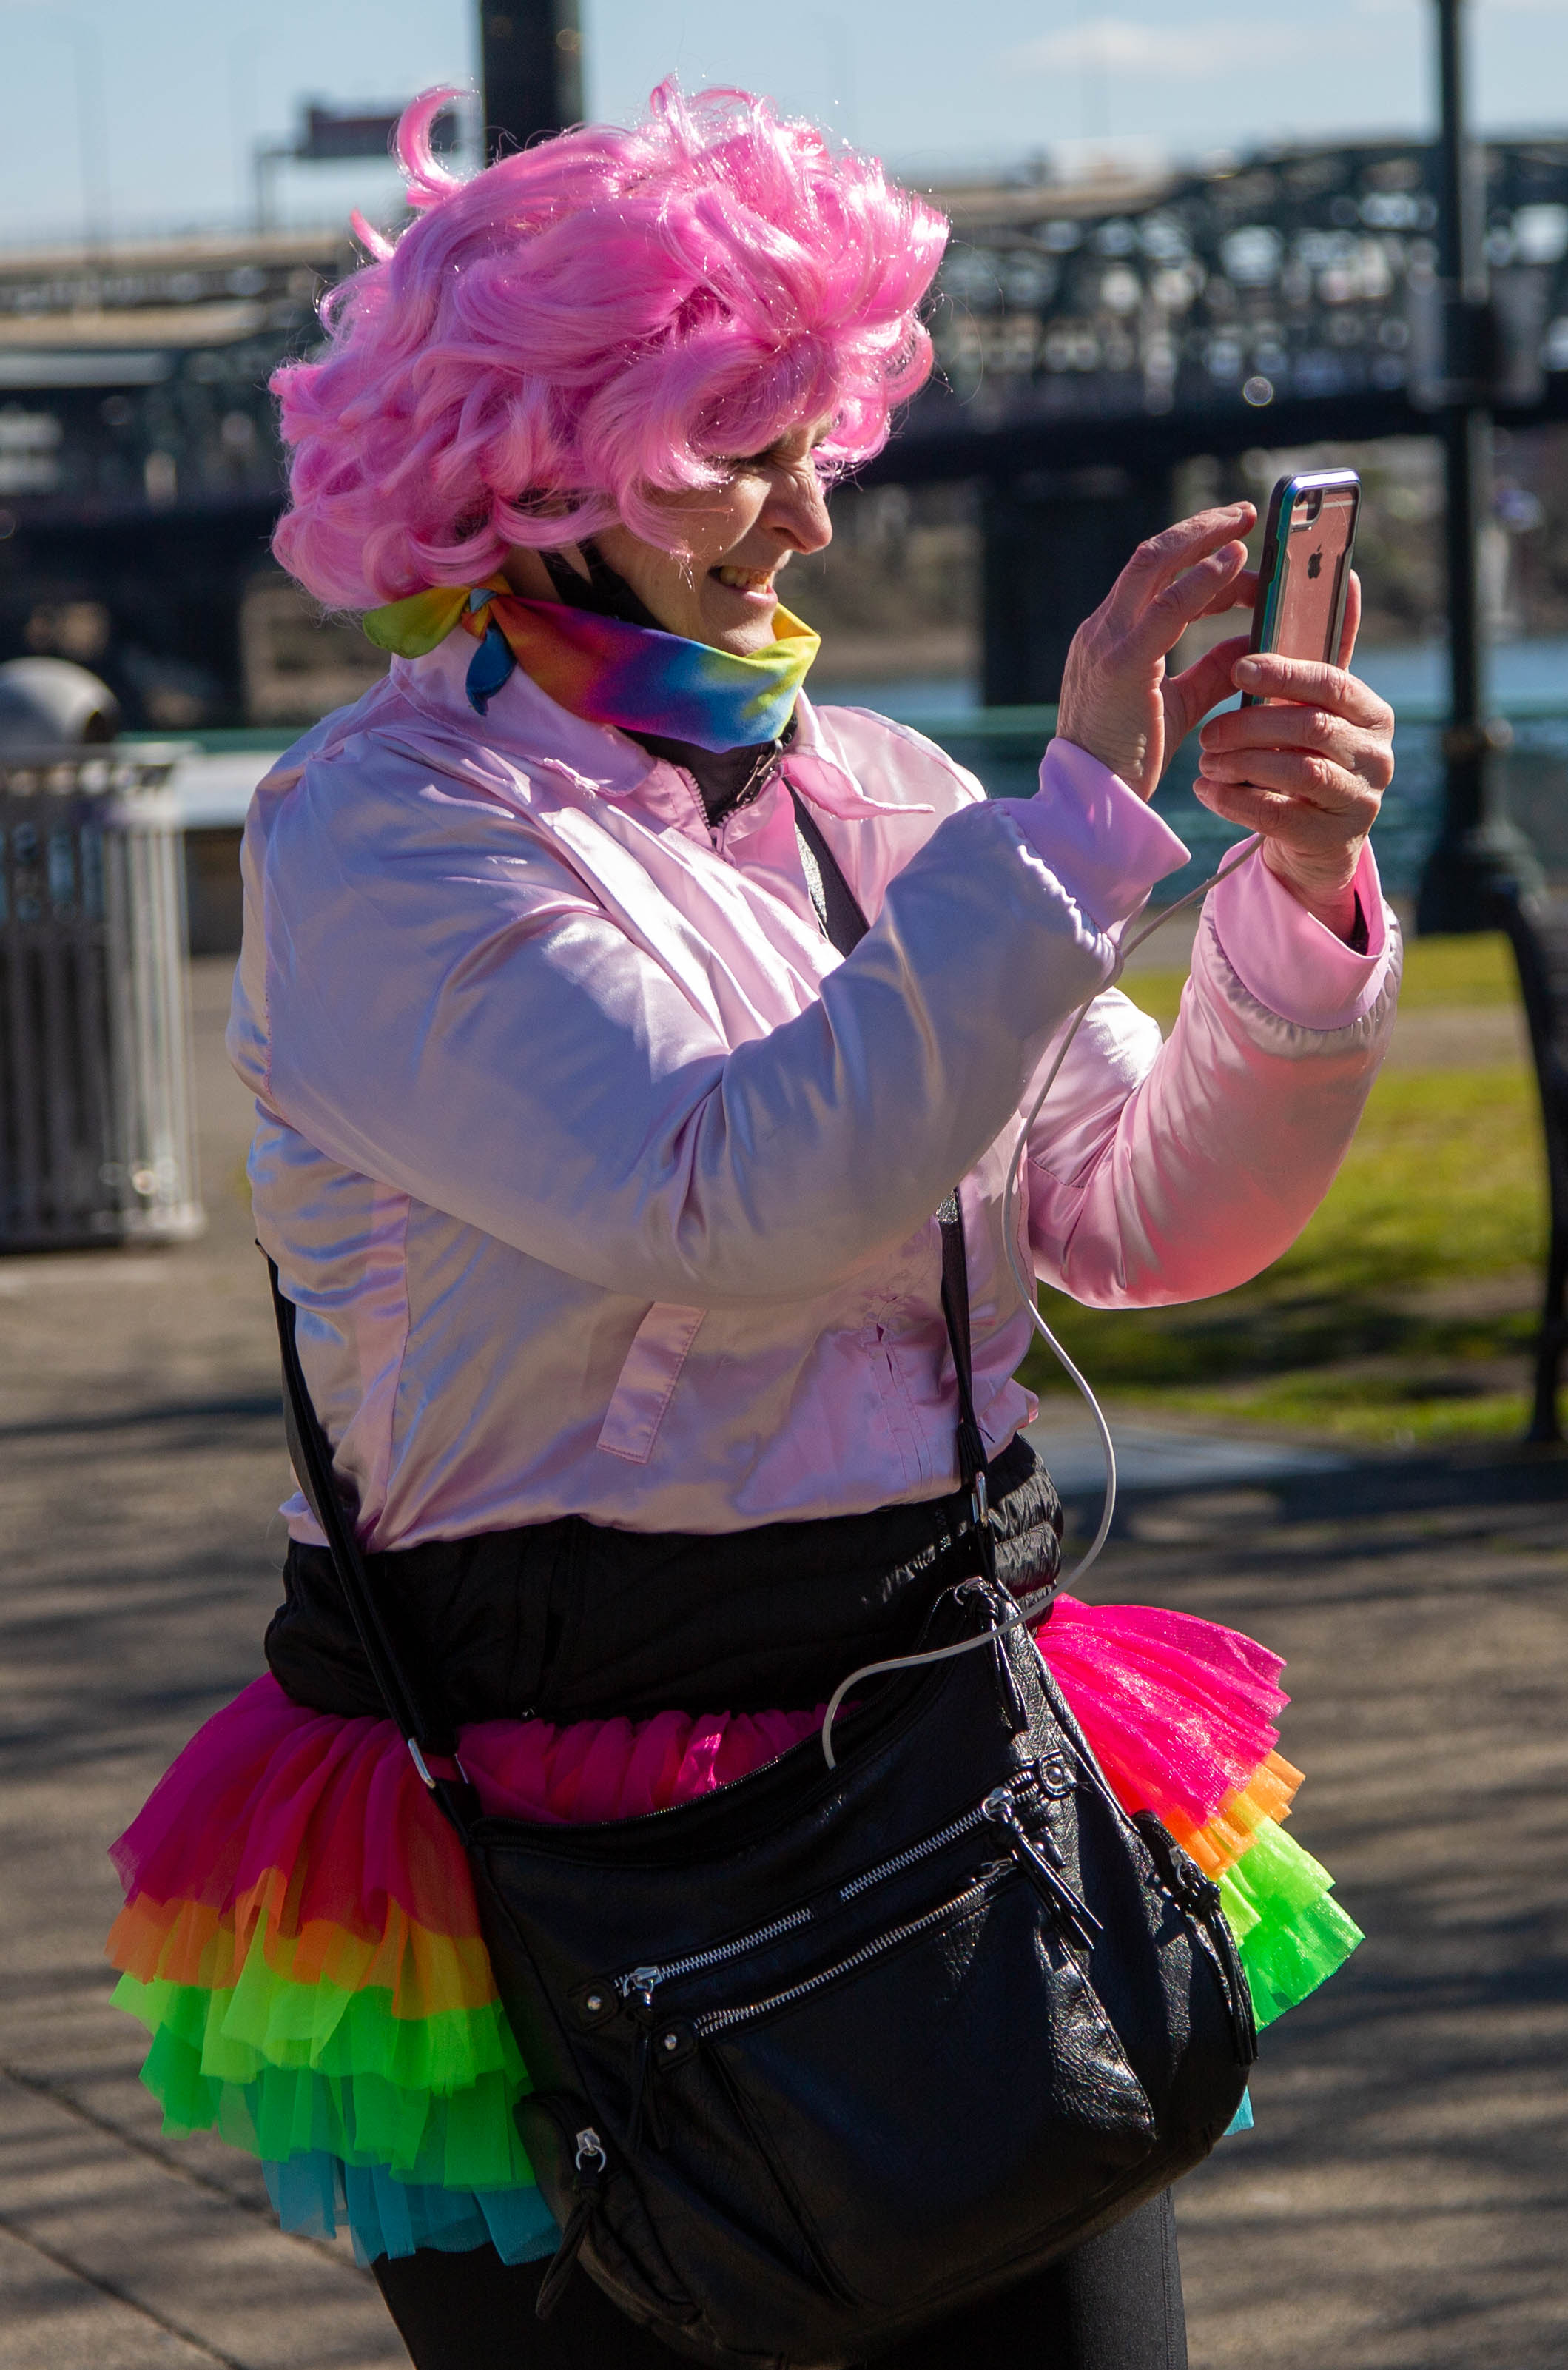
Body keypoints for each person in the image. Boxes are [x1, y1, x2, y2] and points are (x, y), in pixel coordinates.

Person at [107, 83, 1399, 2370]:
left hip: (937, 1769)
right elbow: (730, 1202)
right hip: (557, 1839)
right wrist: (1086, 820)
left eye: (824, 432)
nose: (813, 509)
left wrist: (1296, 915)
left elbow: (1141, 1211)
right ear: (540, 462)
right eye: (740, 442)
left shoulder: (884, 799)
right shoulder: (379, 835)